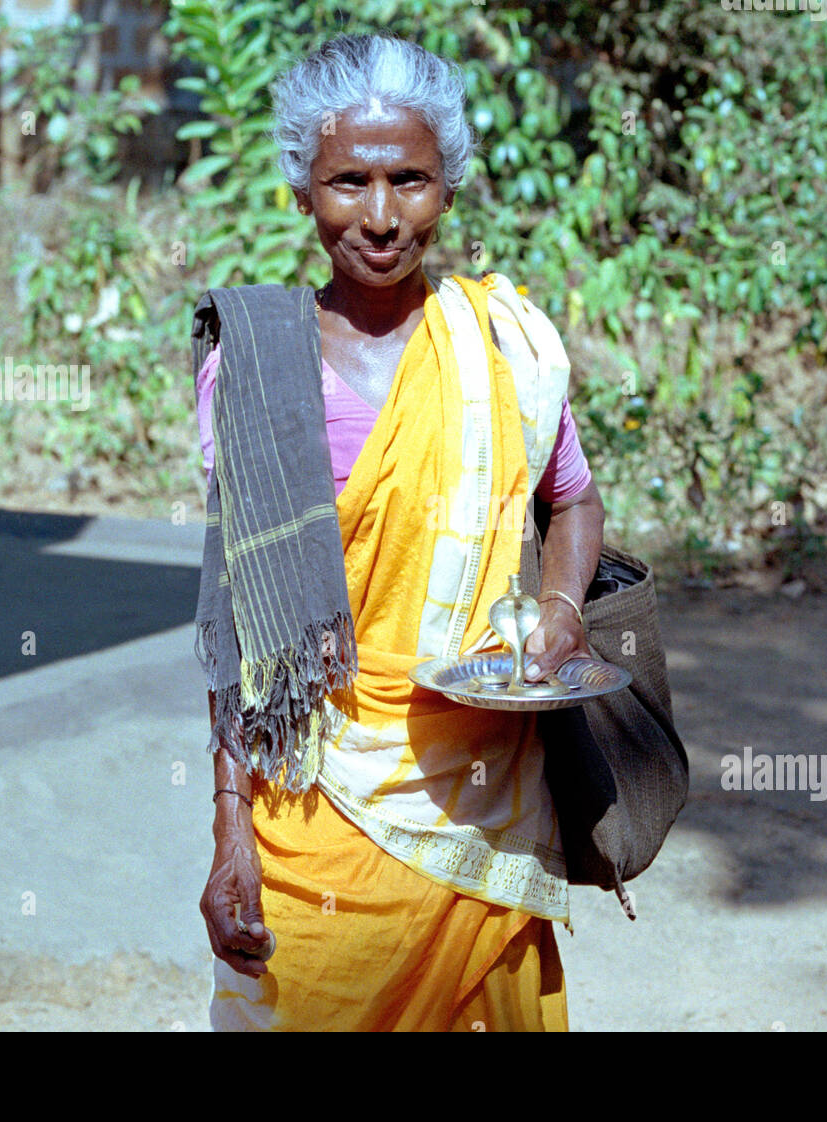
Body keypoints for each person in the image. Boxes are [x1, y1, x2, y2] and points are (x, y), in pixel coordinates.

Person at [194, 33, 604, 1031]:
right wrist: (228, 833)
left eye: (410, 180)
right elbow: (233, 626)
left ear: (447, 188)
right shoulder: (252, 362)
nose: (380, 217)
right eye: (348, 181)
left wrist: (557, 610)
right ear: (303, 189)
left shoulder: (502, 349)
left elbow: (575, 502)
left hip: (482, 797)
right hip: (316, 799)